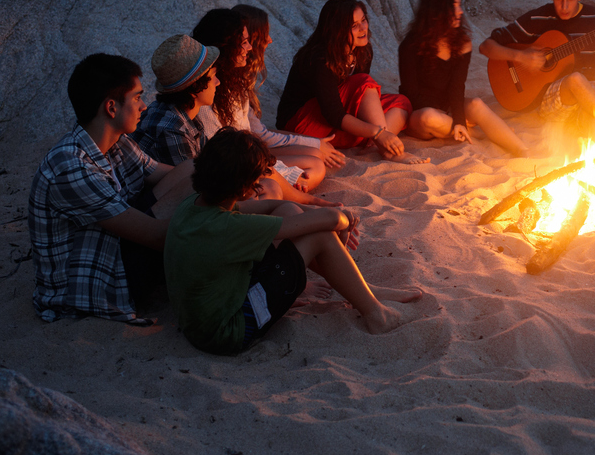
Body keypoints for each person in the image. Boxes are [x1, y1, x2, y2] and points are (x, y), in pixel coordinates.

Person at [164, 128, 422, 353]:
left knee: (290, 211)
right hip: (228, 331)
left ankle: (362, 290)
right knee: (319, 236)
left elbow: (275, 209)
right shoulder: (228, 227)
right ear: (244, 188)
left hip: (205, 317)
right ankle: (376, 314)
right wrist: (340, 218)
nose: (258, 187)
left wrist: (317, 214)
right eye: (256, 182)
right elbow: (331, 221)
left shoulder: (196, 205)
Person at [29, 53, 194, 325]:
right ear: (111, 107)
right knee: (199, 192)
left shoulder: (116, 141)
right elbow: (157, 237)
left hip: (115, 245)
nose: (144, 106)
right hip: (100, 283)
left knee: (193, 172)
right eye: (138, 98)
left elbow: (174, 172)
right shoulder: (70, 167)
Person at [192, 6, 345, 194]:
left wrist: (312, 143)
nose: (270, 40)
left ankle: (287, 190)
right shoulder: (211, 89)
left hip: (247, 152)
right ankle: (286, 192)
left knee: (315, 160)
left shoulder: (236, 79)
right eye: (245, 41)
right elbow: (242, 142)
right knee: (312, 165)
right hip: (237, 161)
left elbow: (253, 132)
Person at [276, 0, 426, 164]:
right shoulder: (320, 59)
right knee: (363, 82)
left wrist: (373, 129)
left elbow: (360, 102)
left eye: (363, 20)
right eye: (354, 26)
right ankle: (385, 146)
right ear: (337, 30)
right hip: (303, 123)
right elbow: (334, 113)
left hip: (337, 120)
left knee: (401, 103)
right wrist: (378, 132)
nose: (363, 28)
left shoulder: (363, 50)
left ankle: (374, 145)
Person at [399, 0, 528, 156]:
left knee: (476, 104)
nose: (460, 11)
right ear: (437, 12)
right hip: (418, 113)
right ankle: (480, 134)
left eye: (460, 6)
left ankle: (522, 149)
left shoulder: (462, 43)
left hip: (447, 107)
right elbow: (410, 92)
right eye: (454, 7)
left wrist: (458, 118)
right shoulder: (410, 46)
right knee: (429, 116)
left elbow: (457, 87)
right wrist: (451, 117)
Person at [131, 34, 220, 166]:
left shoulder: (185, 115)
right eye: (213, 76)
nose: (218, 82)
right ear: (195, 87)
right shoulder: (171, 130)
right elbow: (194, 181)